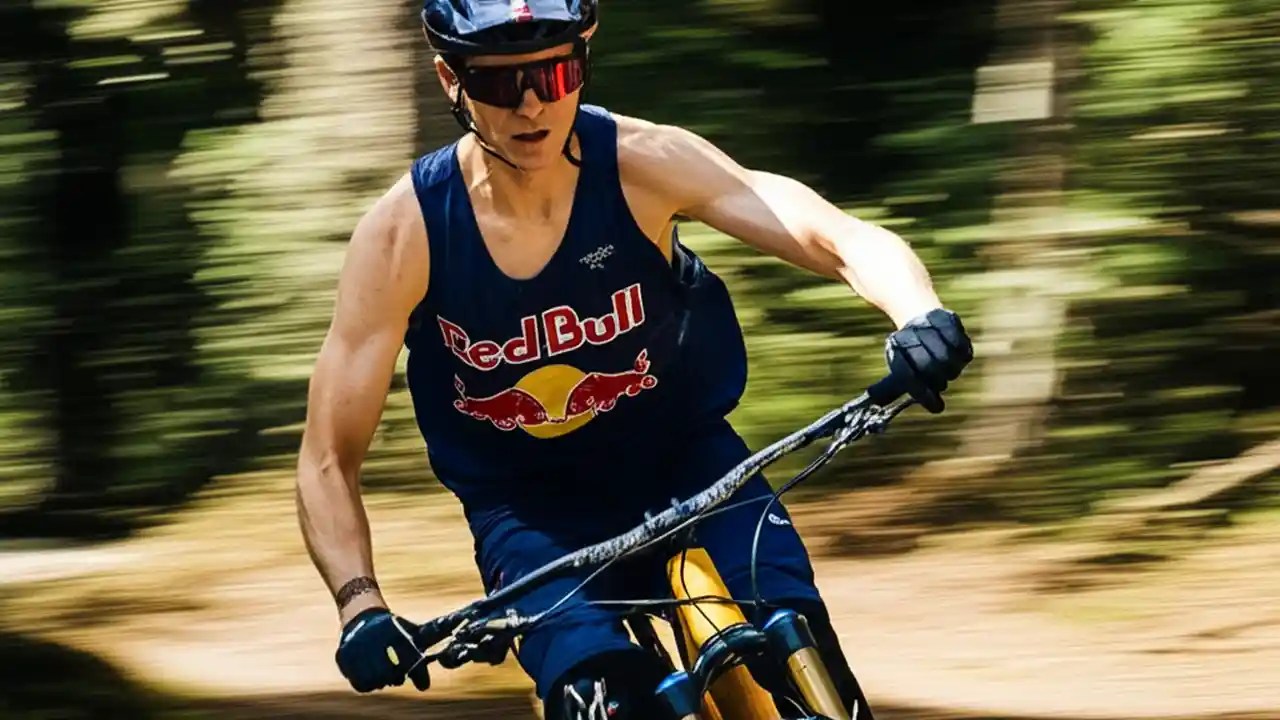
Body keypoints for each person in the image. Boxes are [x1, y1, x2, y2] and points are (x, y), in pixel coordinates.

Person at [295, 1, 973, 718]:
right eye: (500, 84)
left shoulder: (643, 162)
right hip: (531, 516)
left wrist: (917, 312)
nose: (533, 105)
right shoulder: (406, 234)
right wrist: (359, 603)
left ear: (583, 60)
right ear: (449, 80)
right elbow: (327, 458)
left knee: (800, 651)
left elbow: (830, 232)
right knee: (603, 701)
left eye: (555, 73)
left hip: (692, 463)